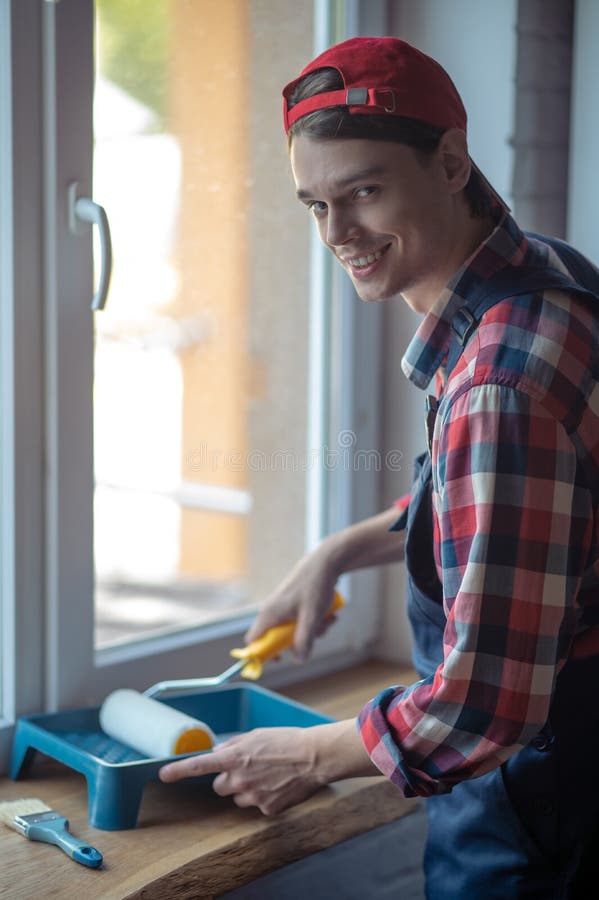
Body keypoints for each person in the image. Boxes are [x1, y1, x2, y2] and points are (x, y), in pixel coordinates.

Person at [159, 37, 599, 898]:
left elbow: (485, 707)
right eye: (313, 205)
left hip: (541, 796)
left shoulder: (497, 383)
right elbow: (509, 507)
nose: (337, 234)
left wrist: (312, 758)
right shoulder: (550, 274)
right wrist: (333, 552)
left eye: (362, 190)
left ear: (449, 162)